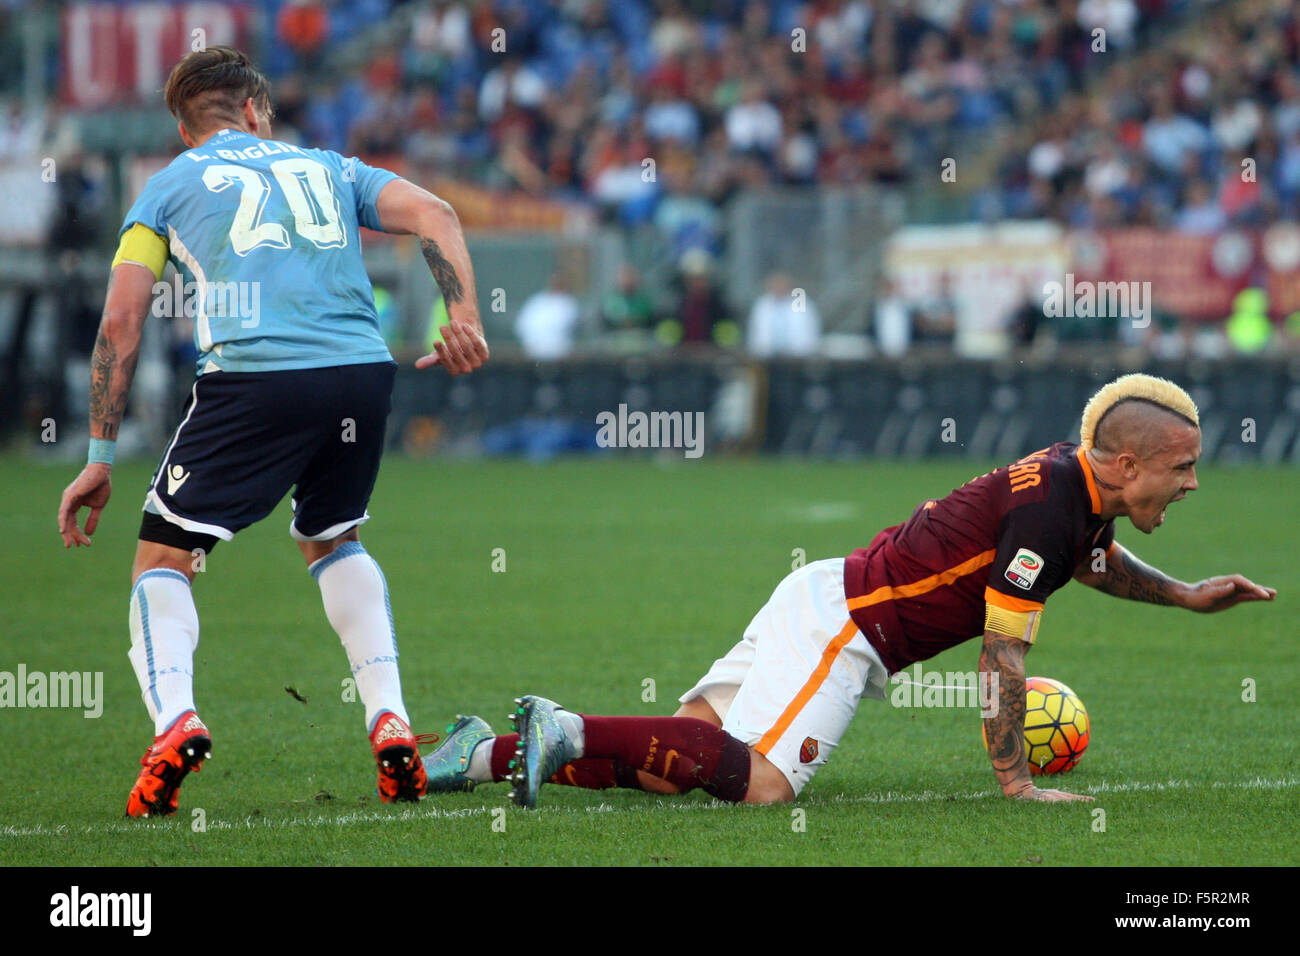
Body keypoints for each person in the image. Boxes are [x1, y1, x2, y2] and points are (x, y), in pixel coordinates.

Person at [421, 374, 1275, 808]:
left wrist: (1189, 596)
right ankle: (559, 725)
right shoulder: (1055, 503)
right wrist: (1016, 781)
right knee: (762, 789)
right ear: (1126, 464)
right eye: (1183, 466)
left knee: (678, 761)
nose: (1193, 483)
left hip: (828, 594)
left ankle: (485, 751)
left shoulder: (1074, 492)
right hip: (851, 625)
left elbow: (1089, 561)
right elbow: (1002, 653)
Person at [56, 47, 489, 817]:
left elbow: (122, 320)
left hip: (255, 379)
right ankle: (388, 716)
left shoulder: (166, 187)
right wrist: (463, 318)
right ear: (256, 111)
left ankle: (174, 721)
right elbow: (438, 214)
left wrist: (97, 455)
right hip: (361, 373)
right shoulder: (329, 167)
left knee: (164, 553)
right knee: (333, 538)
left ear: (188, 130)